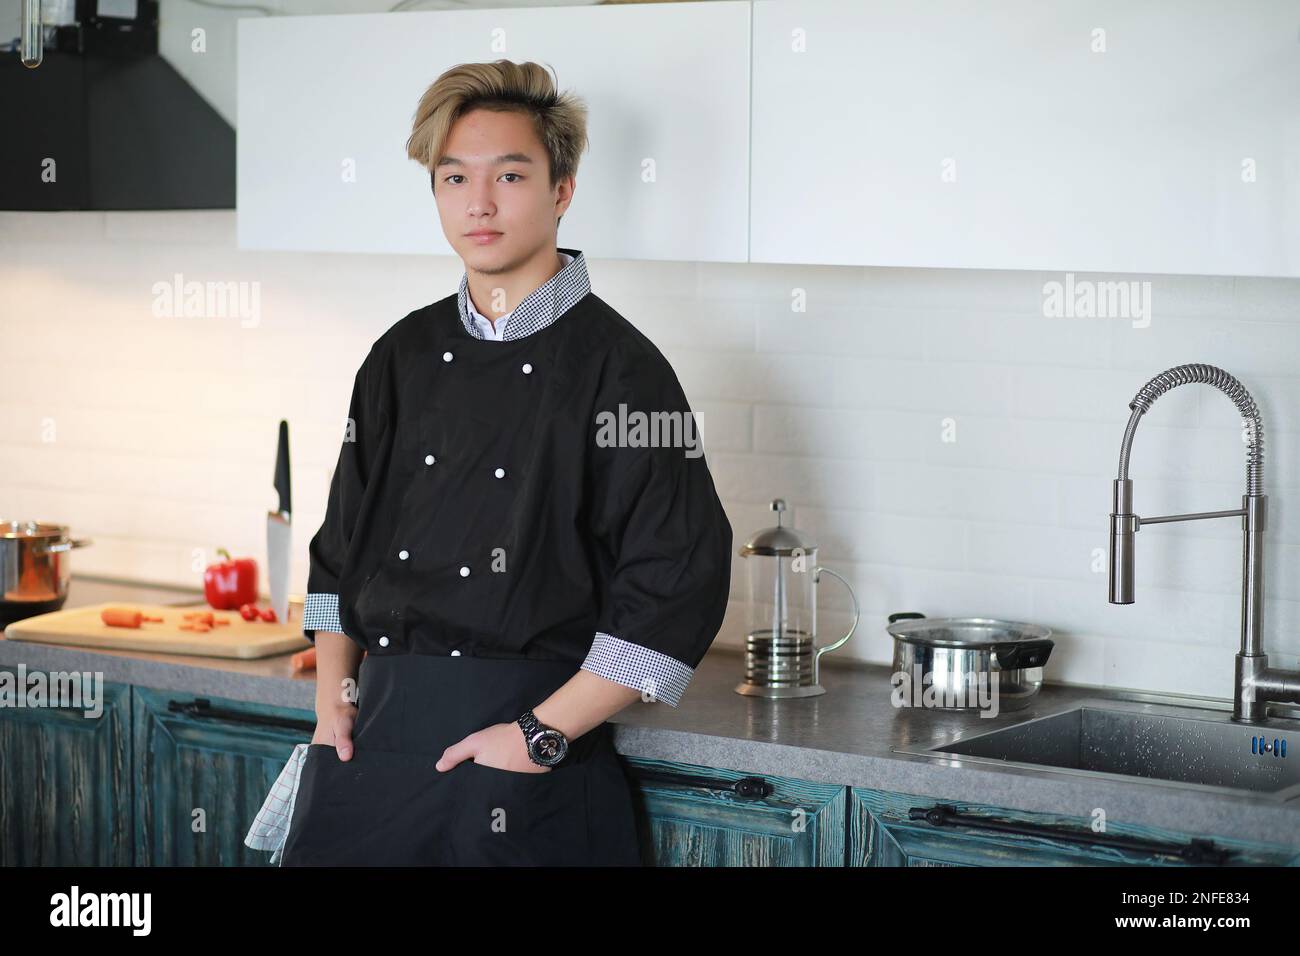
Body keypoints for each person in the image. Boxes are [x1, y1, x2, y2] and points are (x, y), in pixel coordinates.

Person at [273, 59, 733, 866]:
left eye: (509, 175)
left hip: (525, 748)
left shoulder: (623, 369)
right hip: (369, 745)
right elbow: (340, 550)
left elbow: (676, 580)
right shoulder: (399, 355)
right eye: (454, 178)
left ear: (562, 190)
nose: (477, 204)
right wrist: (332, 702)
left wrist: (540, 737)